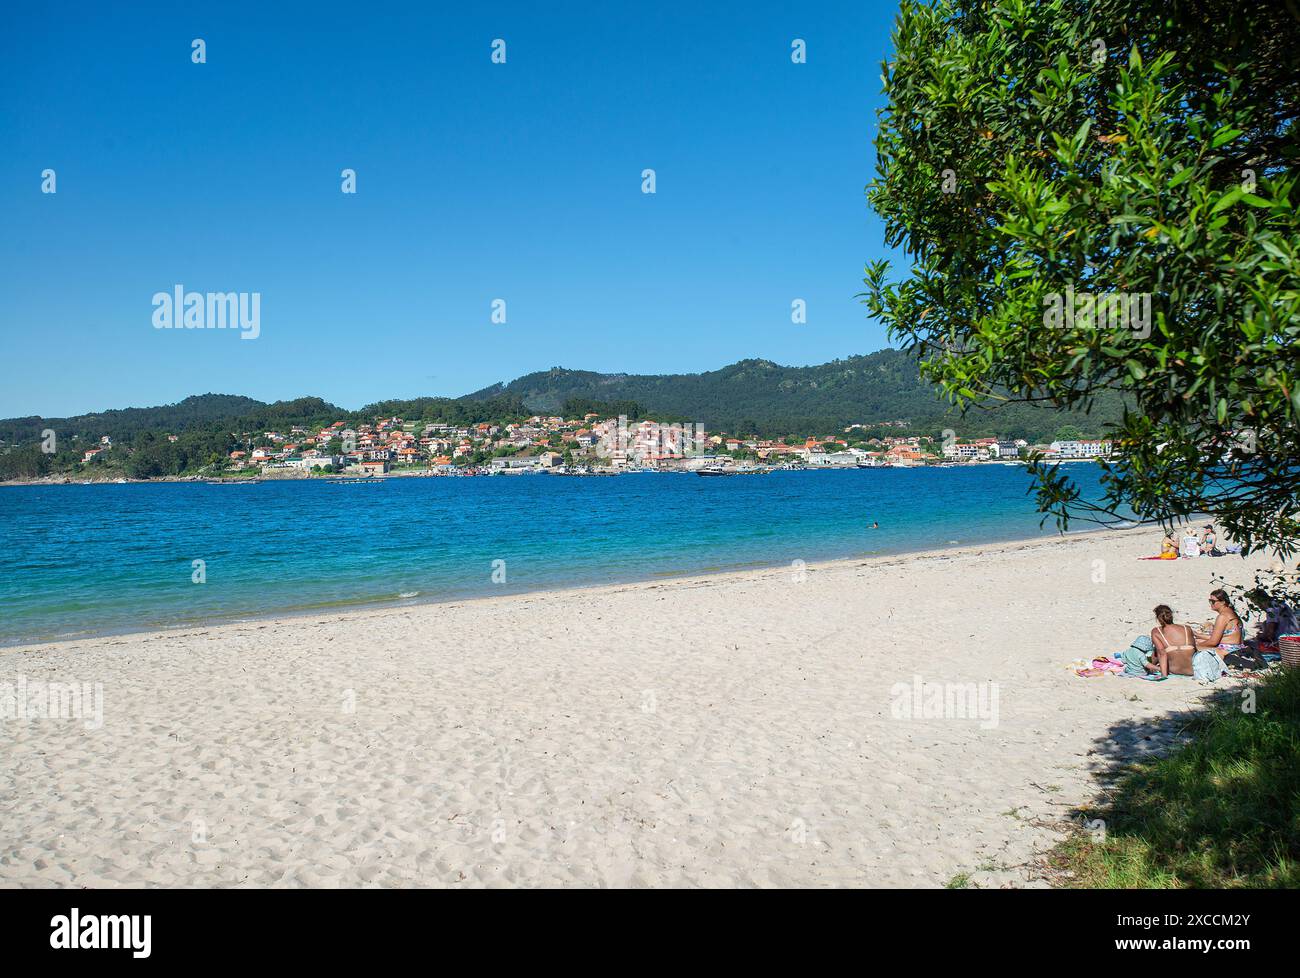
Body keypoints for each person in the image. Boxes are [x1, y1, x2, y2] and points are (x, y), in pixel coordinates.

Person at [1150, 604, 1198, 677]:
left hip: (1175, 671)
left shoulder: (1156, 631)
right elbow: (1194, 649)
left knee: (1156, 651)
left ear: (1158, 618)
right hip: (1193, 671)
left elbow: (1162, 654)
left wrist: (1164, 675)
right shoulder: (1187, 628)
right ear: (1171, 615)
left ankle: (1151, 668)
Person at [1196, 589, 1245, 655]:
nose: (1211, 604)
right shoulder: (1232, 613)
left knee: (1189, 648)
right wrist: (1196, 635)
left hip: (1228, 649)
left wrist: (1195, 647)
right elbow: (1222, 637)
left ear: (1222, 602)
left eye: (1213, 601)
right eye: (1210, 601)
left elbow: (1213, 642)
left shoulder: (1223, 617)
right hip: (1237, 647)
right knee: (1198, 640)